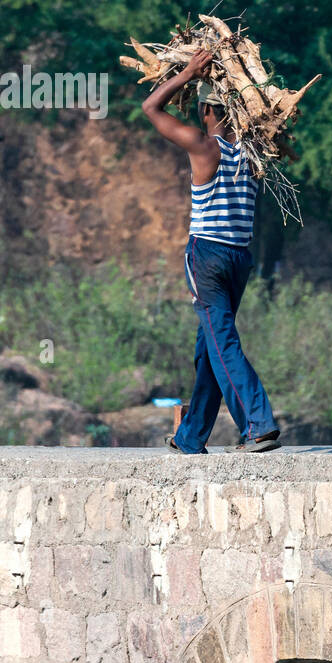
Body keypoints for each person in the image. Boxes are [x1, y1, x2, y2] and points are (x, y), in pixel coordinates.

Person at [142, 49, 283, 453]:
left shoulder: (205, 148)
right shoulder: (256, 155)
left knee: (223, 344)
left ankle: (258, 425)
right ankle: (190, 438)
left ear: (206, 109)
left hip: (207, 257)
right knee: (211, 348)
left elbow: (151, 106)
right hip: (240, 259)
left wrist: (186, 72)